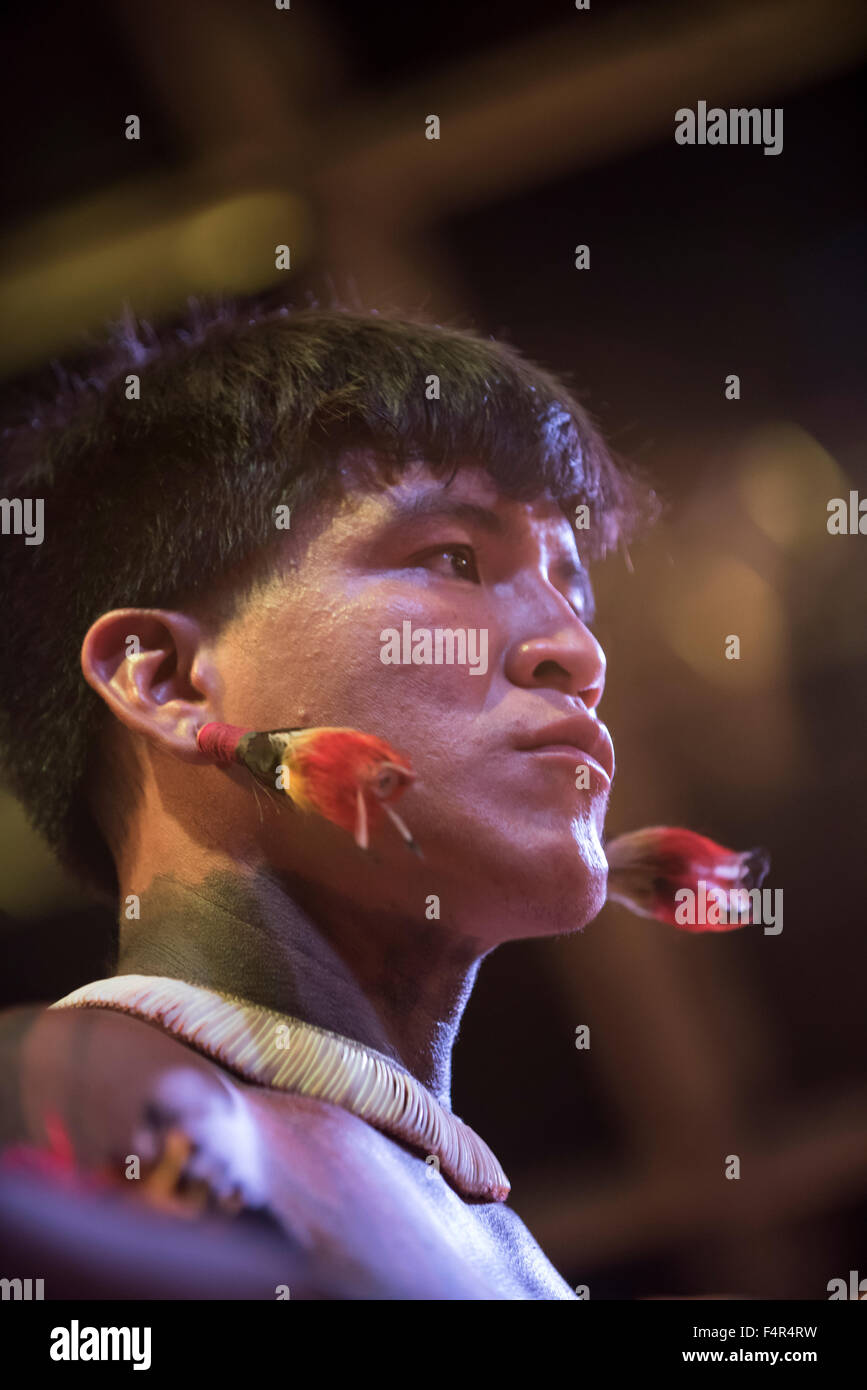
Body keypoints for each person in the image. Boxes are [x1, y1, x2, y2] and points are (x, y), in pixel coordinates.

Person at [0, 297, 653, 1299]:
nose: (577, 651)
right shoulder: (81, 1099)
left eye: (575, 592)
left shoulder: (485, 1227)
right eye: (455, 560)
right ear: (165, 681)